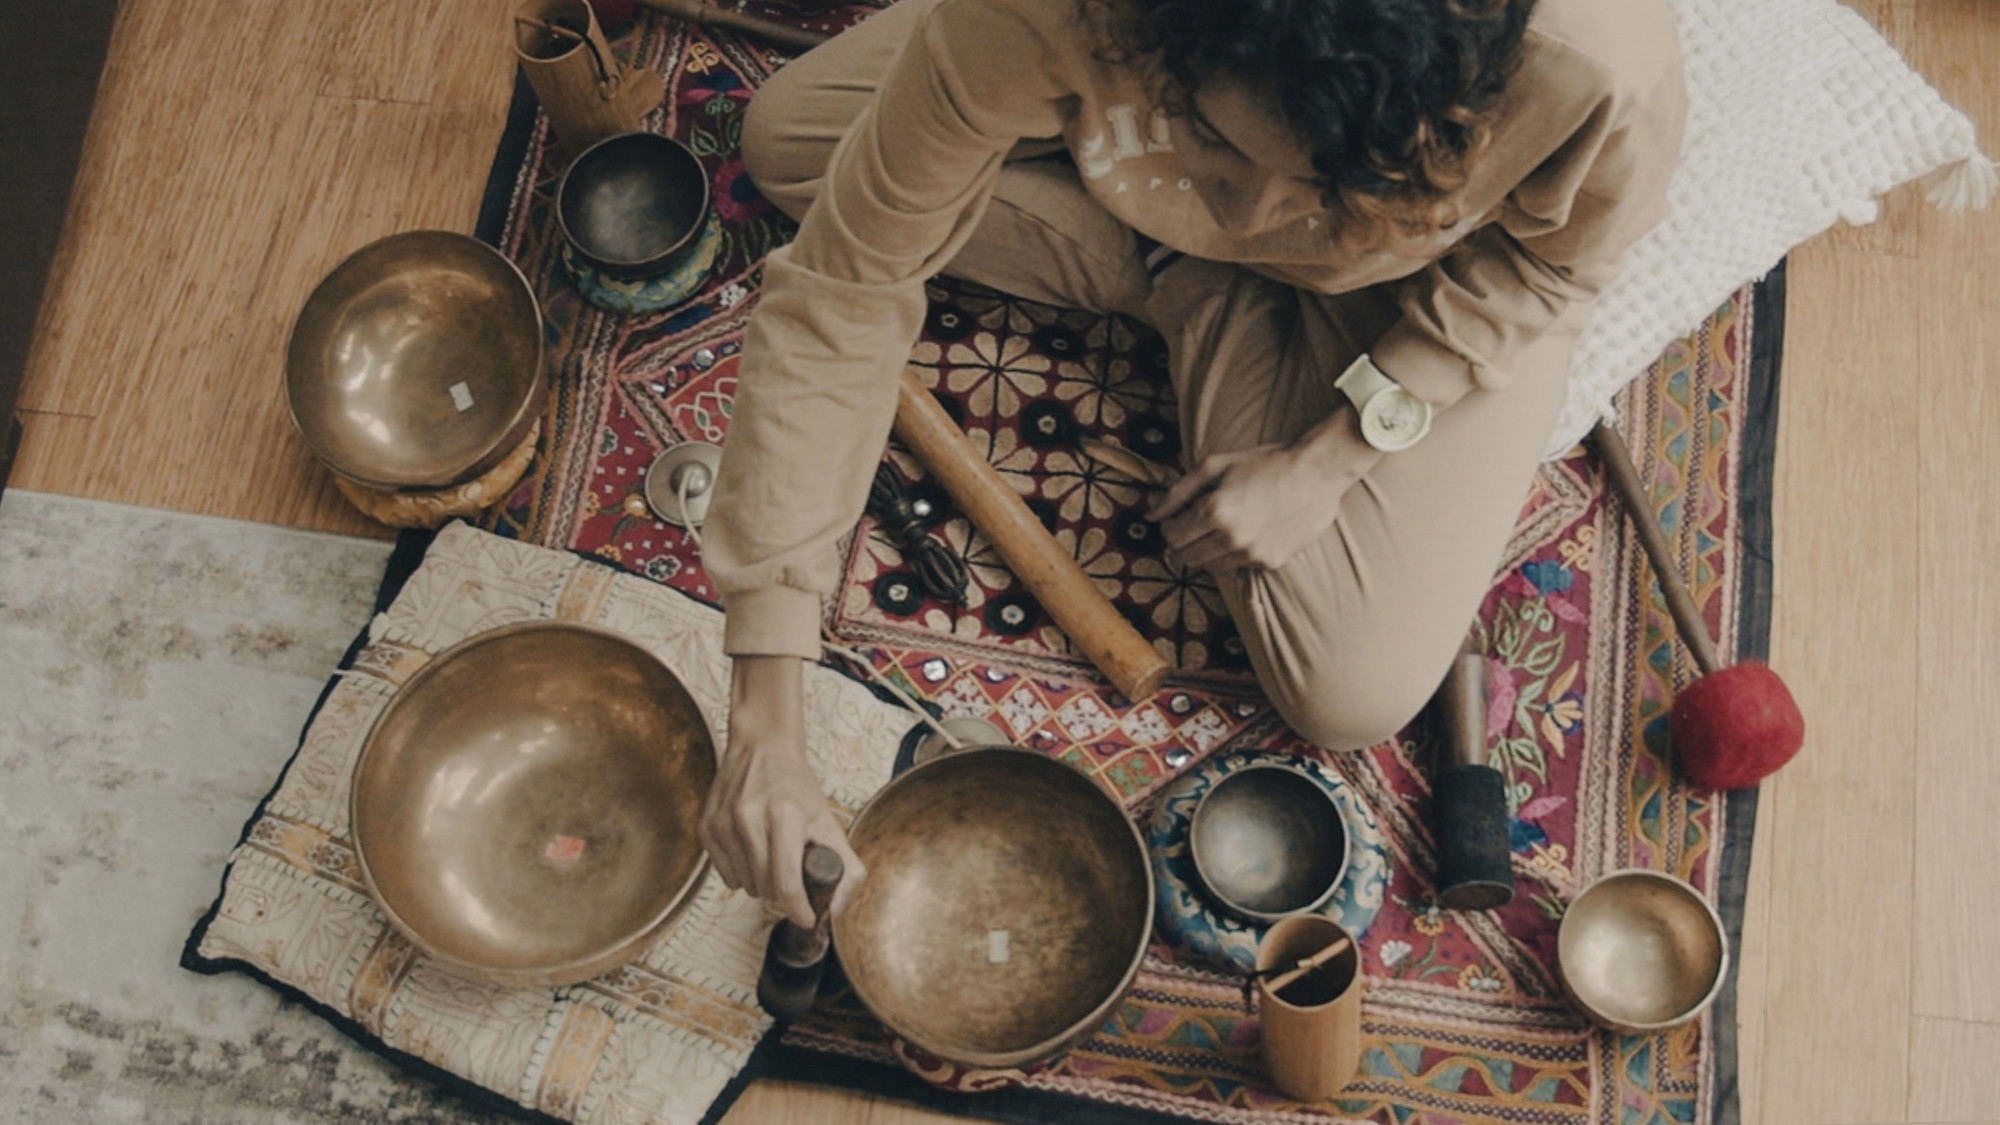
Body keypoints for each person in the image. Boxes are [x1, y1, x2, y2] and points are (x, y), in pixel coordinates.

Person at [696, 0, 1686, 927]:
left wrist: (1334, 449)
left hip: (1398, 297)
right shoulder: (1054, 11)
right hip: (1115, 110)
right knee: (794, 143)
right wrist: (766, 714)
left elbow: (1554, 267)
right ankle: (1191, 285)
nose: (1252, 217)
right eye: (1214, 137)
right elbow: (847, 283)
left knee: (1350, 691)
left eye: (1325, 185)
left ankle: (1205, 289)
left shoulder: (1591, 64)